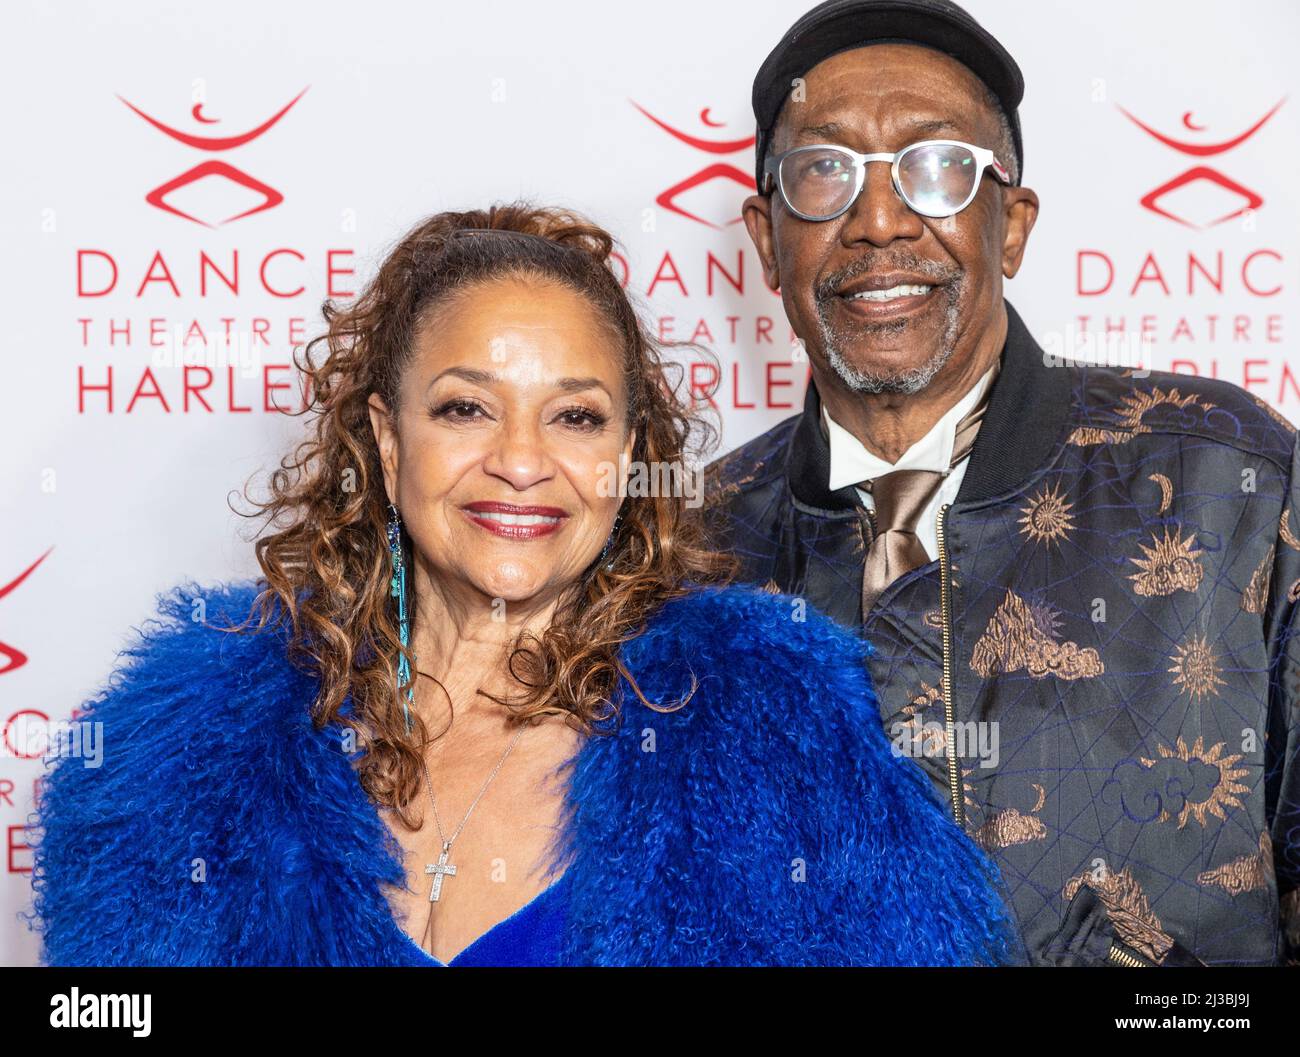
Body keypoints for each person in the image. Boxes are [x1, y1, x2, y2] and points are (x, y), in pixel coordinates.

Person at [26, 203, 1022, 967]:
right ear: (382, 436)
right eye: (465, 408)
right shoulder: (184, 760)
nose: (519, 460)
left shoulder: (767, 730)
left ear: (628, 453)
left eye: (575, 417)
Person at [705, 0, 1300, 966]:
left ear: (1012, 226)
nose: (880, 221)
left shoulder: (1232, 483)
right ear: (768, 239)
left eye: (936, 168)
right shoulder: (689, 547)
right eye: (826, 172)